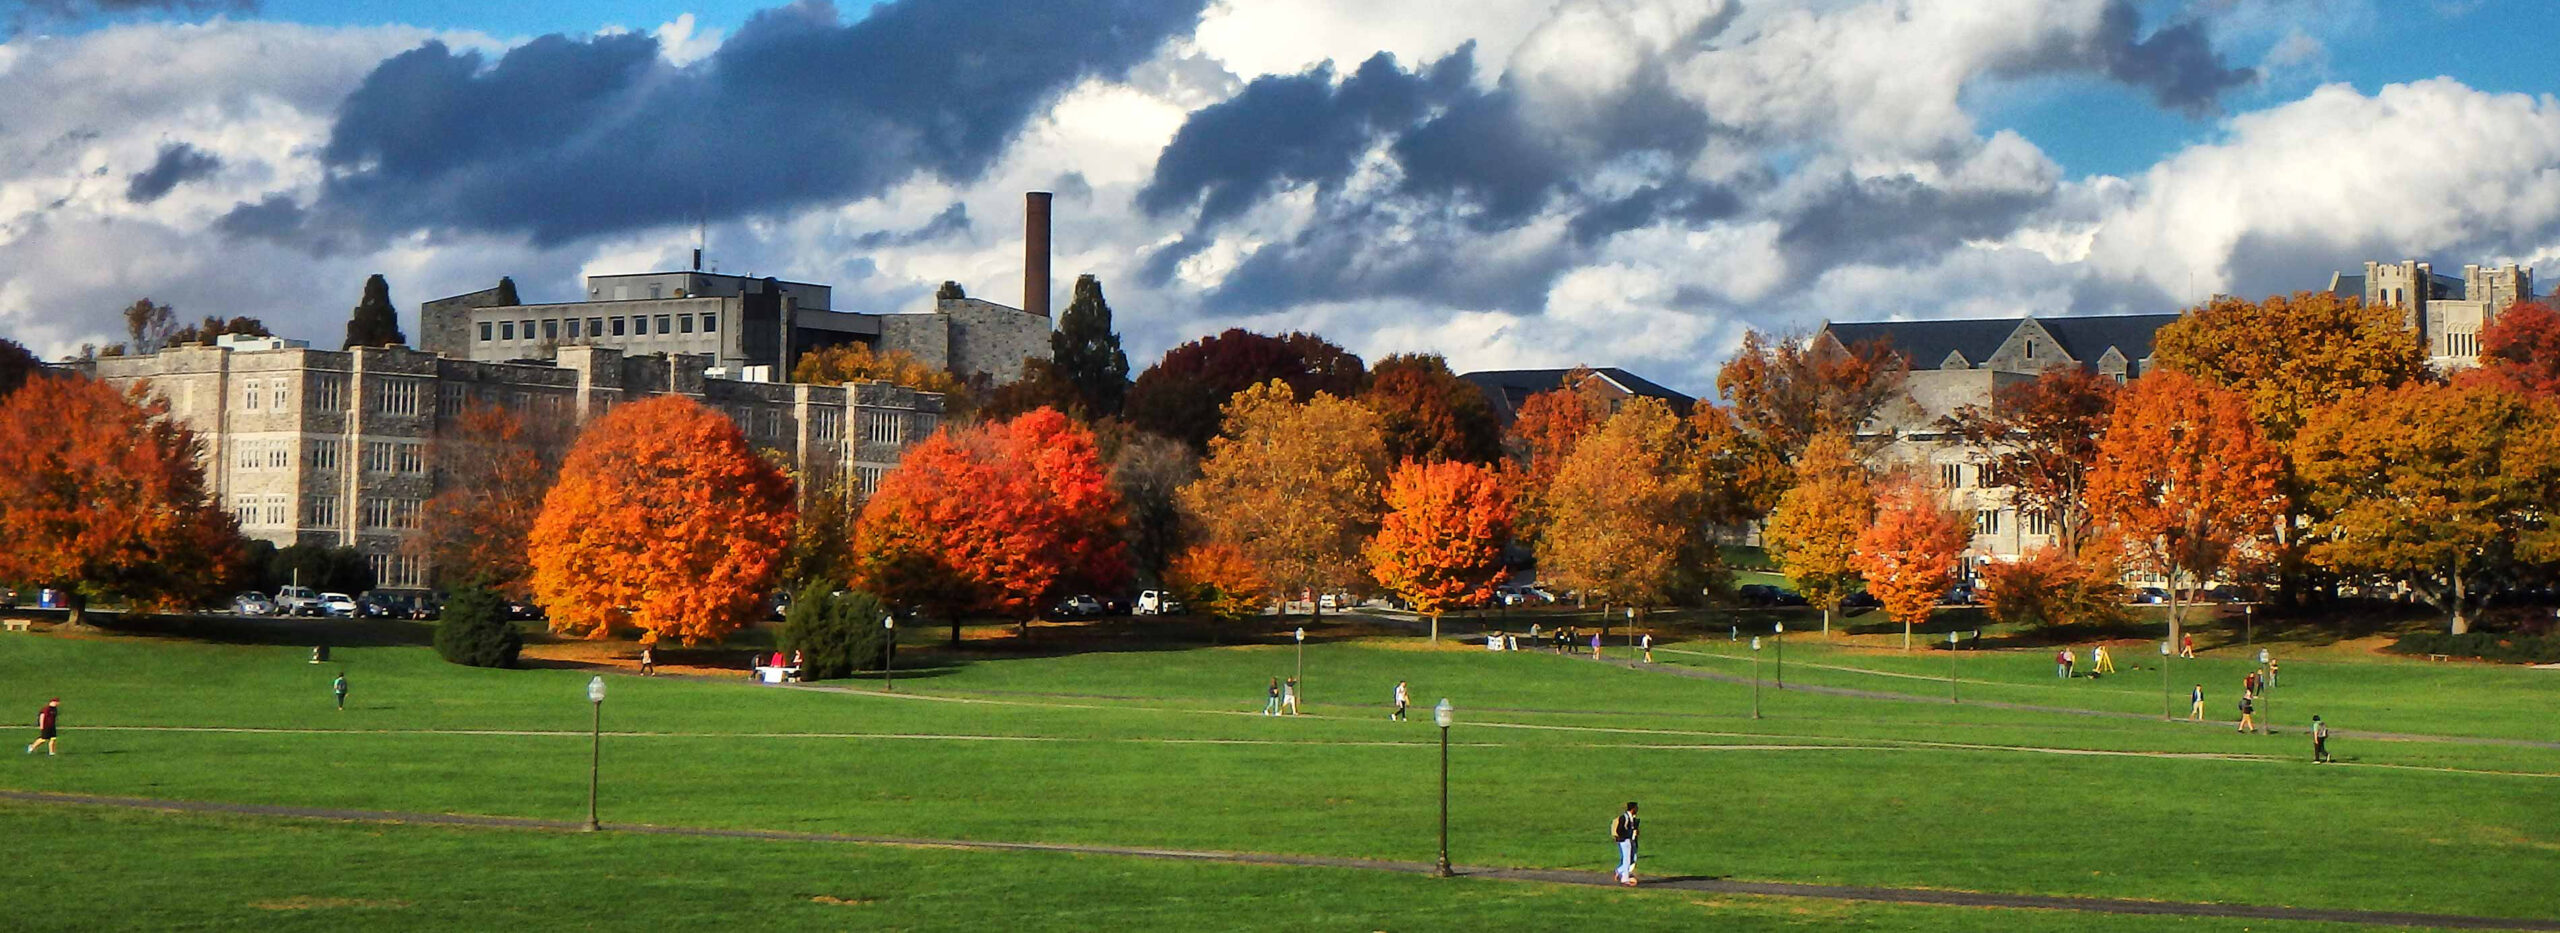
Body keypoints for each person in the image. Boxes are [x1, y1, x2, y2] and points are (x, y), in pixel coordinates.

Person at [1611, 801, 1642, 886]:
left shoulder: (1632, 817)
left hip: (1631, 840)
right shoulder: (1624, 818)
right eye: (1636, 808)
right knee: (1626, 859)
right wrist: (1631, 833)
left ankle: (1619, 870)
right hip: (1624, 840)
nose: (1637, 809)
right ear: (1632, 809)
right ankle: (1625, 878)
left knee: (1633, 859)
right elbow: (1619, 830)